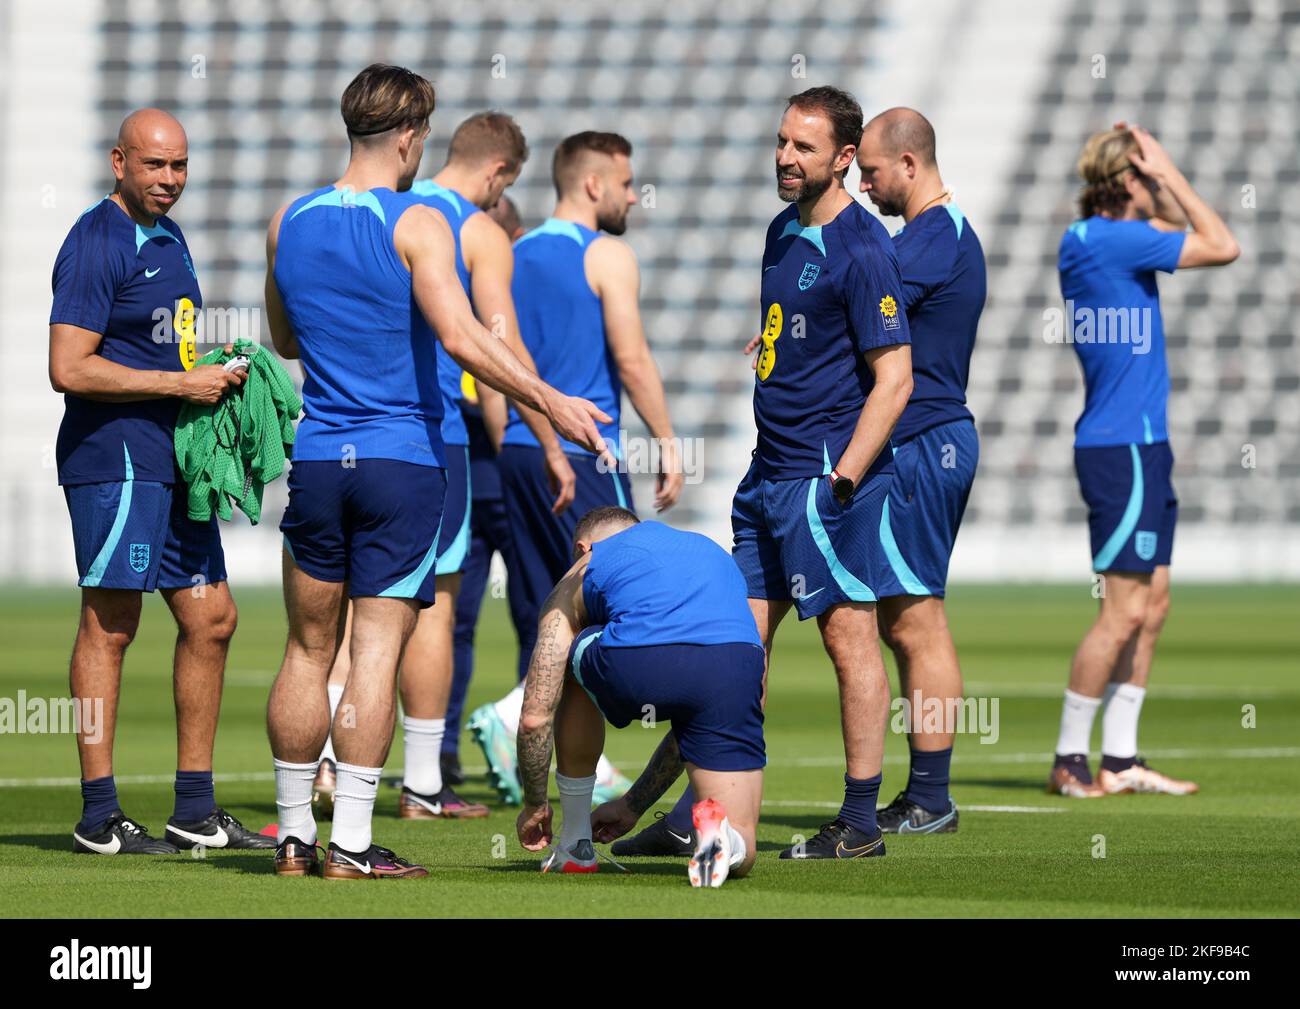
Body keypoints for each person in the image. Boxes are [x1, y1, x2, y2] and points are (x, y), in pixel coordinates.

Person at [264, 64, 609, 879]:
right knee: (377, 650)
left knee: (309, 649)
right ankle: (348, 841)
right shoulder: (417, 221)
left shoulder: (290, 219)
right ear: (411, 137)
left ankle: (290, 838)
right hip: (400, 460)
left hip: (316, 458)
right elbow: (460, 336)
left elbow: (283, 339)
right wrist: (549, 399)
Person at [621, 87, 912, 861]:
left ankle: (859, 823)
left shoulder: (863, 246)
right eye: (782, 141)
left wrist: (842, 480)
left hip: (822, 484)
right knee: (729, 650)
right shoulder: (782, 232)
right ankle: (701, 813)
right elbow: (804, 325)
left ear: (844, 159)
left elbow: (896, 379)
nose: (785, 157)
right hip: (764, 478)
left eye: (804, 147)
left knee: (851, 644)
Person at [49, 108, 270, 856]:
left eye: (178, 166)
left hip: (173, 461)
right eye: (154, 165)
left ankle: (196, 810)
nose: (169, 180)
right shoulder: (95, 241)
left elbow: (161, 349)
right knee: (110, 625)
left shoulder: (171, 239)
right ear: (119, 161)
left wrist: (218, 376)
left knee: (213, 618)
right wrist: (180, 385)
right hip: (114, 460)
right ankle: (97, 816)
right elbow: (68, 366)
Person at [468, 131, 683, 807]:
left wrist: (512, 445)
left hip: (524, 455)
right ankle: (532, 731)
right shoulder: (607, 254)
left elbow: (495, 357)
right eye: (624, 183)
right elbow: (631, 359)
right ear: (592, 184)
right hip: (589, 450)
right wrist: (669, 439)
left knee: (543, 611)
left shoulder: (509, 252)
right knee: (606, 607)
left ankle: (538, 752)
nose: (630, 195)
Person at [1050, 122, 1238, 797]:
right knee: (1123, 610)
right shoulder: (1117, 239)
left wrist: (1145, 182)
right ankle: (1071, 758)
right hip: (1121, 447)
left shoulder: (1093, 239)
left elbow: (1166, 226)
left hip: (1140, 445)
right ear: (1129, 179)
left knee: (1151, 604)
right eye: (1144, 174)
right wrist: (1171, 176)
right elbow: (1224, 243)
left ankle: (1120, 757)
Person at [855, 107, 986, 833]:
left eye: (871, 171)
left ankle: (932, 796)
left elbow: (858, 308)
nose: (865, 184)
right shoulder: (924, 236)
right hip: (915, 442)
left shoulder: (938, 237)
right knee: (901, 619)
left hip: (924, 441)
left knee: (915, 621)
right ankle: (925, 792)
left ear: (910, 164)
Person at [514, 508, 764, 888]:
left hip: (640, 658)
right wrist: (632, 806)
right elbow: (689, 727)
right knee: (743, 838)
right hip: (737, 663)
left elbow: (535, 716)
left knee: (570, 651)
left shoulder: (584, 568)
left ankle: (575, 844)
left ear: (584, 548)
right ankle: (722, 839)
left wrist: (534, 803)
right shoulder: (703, 547)